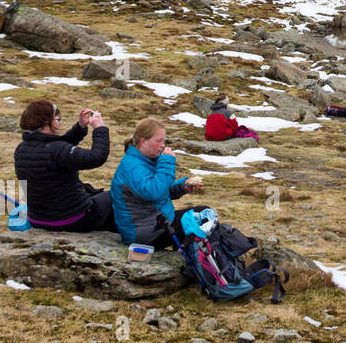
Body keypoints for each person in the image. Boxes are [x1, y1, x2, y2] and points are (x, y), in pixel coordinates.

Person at [13, 98, 114, 232]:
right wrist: (100, 128)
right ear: (47, 122)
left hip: (38, 220)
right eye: (58, 119)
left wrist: (80, 127)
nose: (59, 123)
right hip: (73, 219)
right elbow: (96, 157)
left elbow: (58, 148)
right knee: (117, 195)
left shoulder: (22, 149)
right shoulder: (57, 149)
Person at [111, 117, 203, 249]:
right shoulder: (133, 166)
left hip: (154, 224)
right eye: (159, 141)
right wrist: (166, 163)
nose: (163, 145)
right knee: (202, 215)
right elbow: (154, 193)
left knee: (199, 216)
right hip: (145, 234)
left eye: (163, 140)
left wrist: (182, 187)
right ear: (143, 142)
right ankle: (192, 261)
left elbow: (159, 193)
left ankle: (187, 256)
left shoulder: (145, 160)